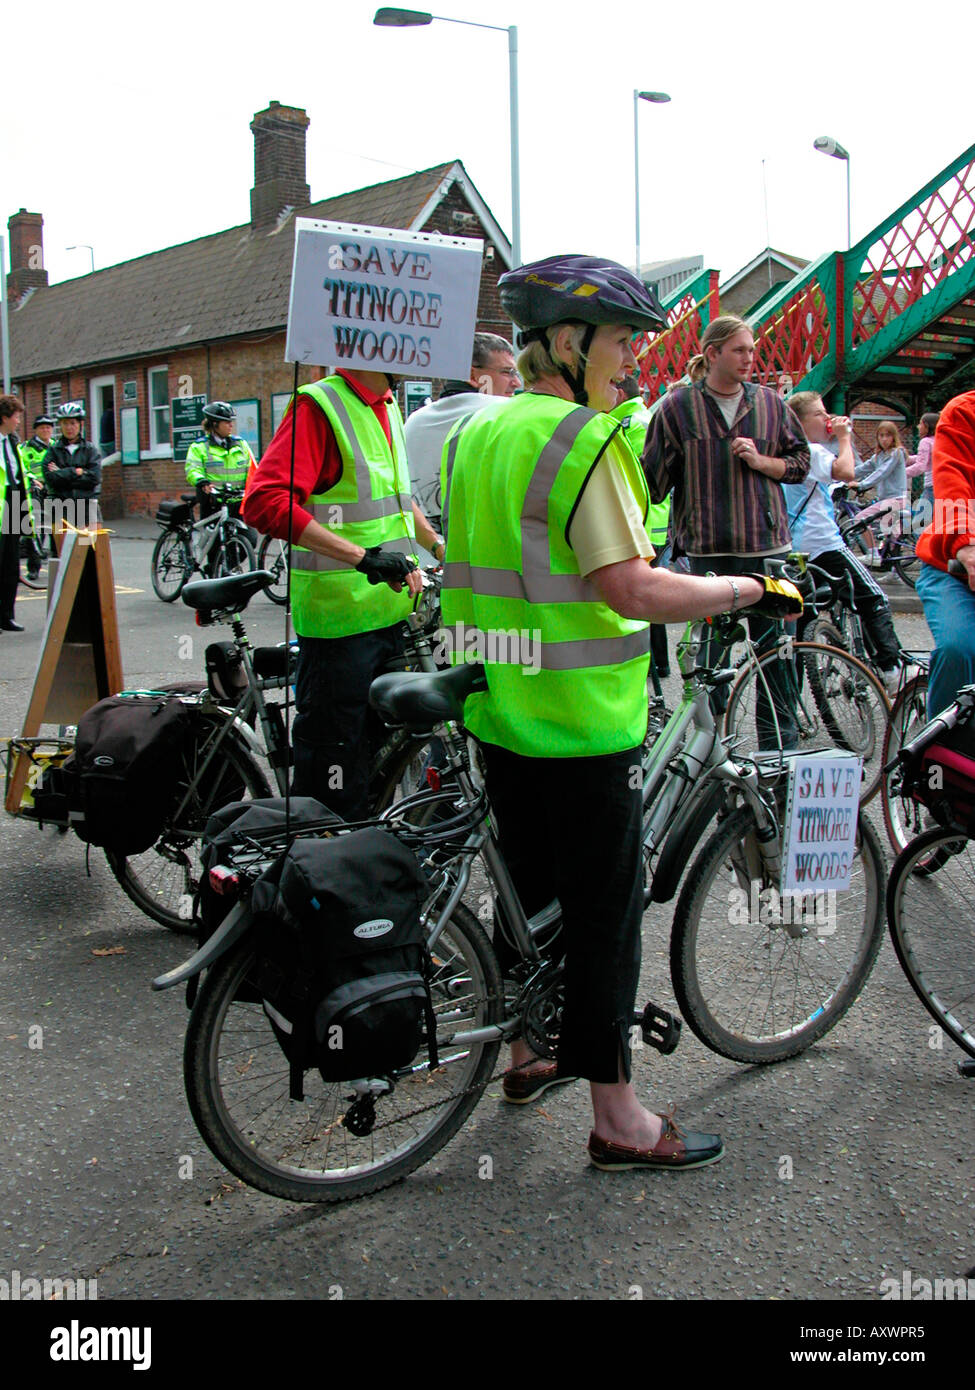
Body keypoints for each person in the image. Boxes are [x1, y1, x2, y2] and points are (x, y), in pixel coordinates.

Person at [440, 254, 801, 1171]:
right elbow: (630, 588)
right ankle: (619, 1118)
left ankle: (525, 1053)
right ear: (566, 343)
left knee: (529, 897)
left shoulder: (477, 433)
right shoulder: (582, 440)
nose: (634, 359)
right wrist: (744, 590)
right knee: (606, 915)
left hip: (498, 707)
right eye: (621, 341)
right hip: (579, 720)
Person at [242, 369, 442, 821]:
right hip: (340, 629)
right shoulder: (320, 406)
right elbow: (264, 502)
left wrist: (439, 547)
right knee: (333, 783)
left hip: (393, 617)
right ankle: (320, 877)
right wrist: (361, 557)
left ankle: (366, 863)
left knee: (376, 769)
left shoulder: (387, 403)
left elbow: (395, 500)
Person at [642, 314, 810, 746]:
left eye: (752, 350)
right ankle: (713, 754)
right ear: (712, 353)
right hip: (709, 554)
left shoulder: (772, 404)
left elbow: (800, 464)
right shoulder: (677, 408)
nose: (750, 358)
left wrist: (762, 462)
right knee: (709, 661)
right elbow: (652, 483)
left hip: (769, 551)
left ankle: (780, 754)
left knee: (778, 659)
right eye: (740, 350)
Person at [784, 391, 904, 692]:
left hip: (792, 551)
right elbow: (846, 470)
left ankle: (793, 704)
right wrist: (845, 437)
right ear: (800, 421)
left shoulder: (782, 451)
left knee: (800, 626)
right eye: (819, 414)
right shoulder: (810, 451)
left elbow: (840, 480)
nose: (826, 418)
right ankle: (892, 670)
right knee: (872, 598)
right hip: (823, 544)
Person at [404, 332, 520, 532]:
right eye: (506, 372)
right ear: (473, 376)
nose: (516, 383)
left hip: (421, 551)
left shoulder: (413, 421)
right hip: (486, 550)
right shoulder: (506, 413)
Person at [915, 391, 975, 728]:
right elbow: (953, 486)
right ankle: (933, 763)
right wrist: (967, 546)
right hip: (952, 566)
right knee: (959, 648)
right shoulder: (964, 412)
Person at [610, 374, 672, 677]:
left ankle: (651, 663)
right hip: (653, 522)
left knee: (641, 598)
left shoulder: (629, 423)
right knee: (650, 597)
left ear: (619, 394)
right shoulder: (640, 417)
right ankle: (658, 663)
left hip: (643, 523)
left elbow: (632, 476)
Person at [185, 402, 255, 519]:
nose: (231, 425)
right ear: (215, 424)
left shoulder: (241, 444)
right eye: (227, 422)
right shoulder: (199, 446)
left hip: (238, 502)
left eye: (231, 422)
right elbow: (193, 469)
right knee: (215, 536)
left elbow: (252, 469)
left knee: (250, 537)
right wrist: (201, 481)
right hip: (213, 503)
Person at [851, 420, 908, 560]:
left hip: (896, 499)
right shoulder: (878, 456)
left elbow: (882, 472)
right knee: (892, 539)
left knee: (860, 519)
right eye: (881, 435)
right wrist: (841, 476)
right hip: (886, 499)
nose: (884, 439)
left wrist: (861, 485)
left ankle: (872, 554)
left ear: (894, 437)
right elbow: (862, 469)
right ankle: (894, 573)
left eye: (887, 435)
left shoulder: (896, 453)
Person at [42, 402, 101, 534]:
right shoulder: (53, 451)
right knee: (63, 551)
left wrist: (62, 473)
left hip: (86, 508)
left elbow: (94, 478)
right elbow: (51, 479)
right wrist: (77, 472)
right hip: (61, 508)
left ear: (81, 424)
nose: (69, 428)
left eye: (73, 423)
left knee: (91, 551)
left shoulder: (90, 450)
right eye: (65, 423)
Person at [0, 396, 29, 630]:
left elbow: (17, 472)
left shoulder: (13, 441)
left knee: (12, 564)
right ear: (4, 418)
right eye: (16, 416)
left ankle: (6, 615)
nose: (18, 421)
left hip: (15, 503)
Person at [18, 414, 54, 580]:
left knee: (53, 529)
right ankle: (34, 567)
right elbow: (23, 468)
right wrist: (34, 480)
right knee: (36, 530)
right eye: (42, 427)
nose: (45, 430)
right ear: (36, 430)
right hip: (36, 491)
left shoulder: (56, 446)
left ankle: (58, 565)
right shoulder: (26, 448)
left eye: (48, 427)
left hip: (54, 491)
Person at [906, 410, 940, 524]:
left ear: (926, 426)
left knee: (918, 525)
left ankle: (922, 542)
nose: (918, 426)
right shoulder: (939, 441)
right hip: (940, 486)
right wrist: (909, 459)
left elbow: (920, 466)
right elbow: (927, 457)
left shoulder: (925, 442)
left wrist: (900, 473)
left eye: (920, 424)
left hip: (931, 487)